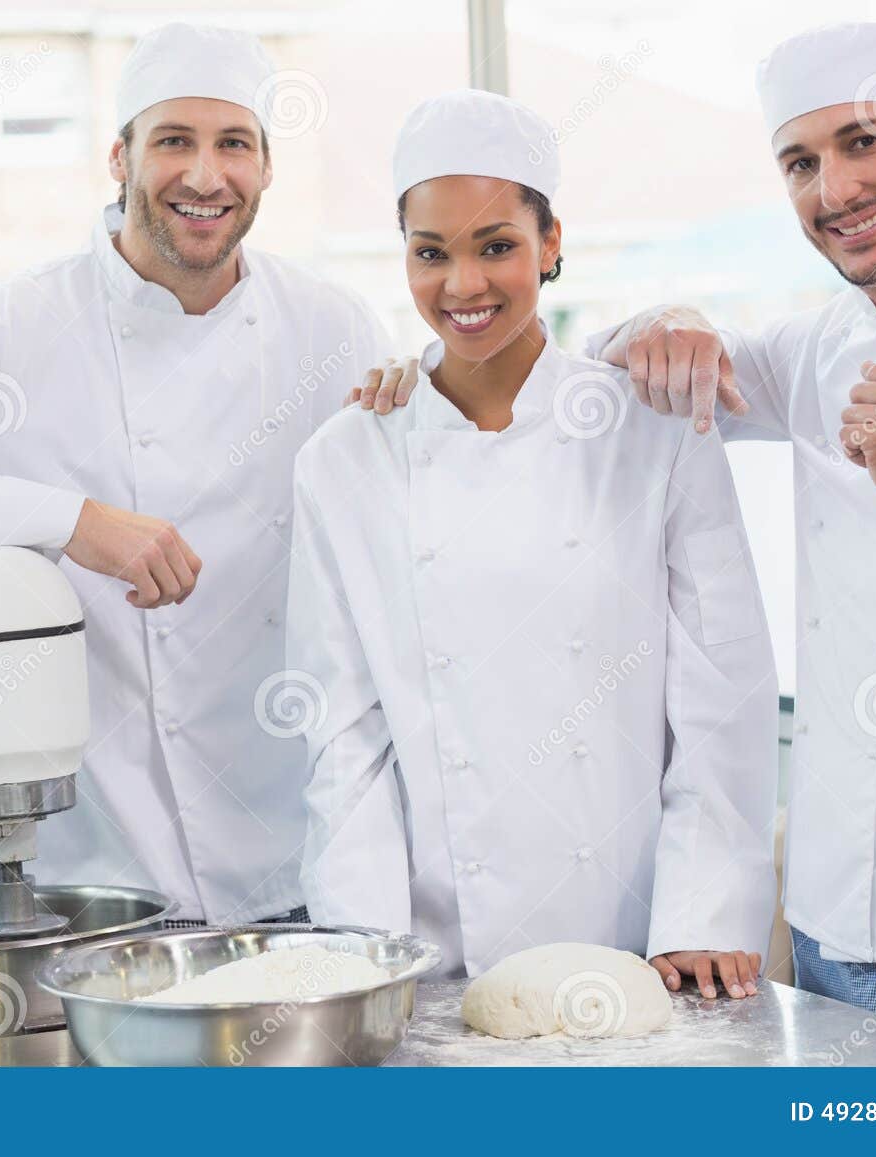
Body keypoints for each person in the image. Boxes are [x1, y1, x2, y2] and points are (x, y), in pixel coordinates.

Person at [353, 25, 876, 1066]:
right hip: (834, 949)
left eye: (862, 142)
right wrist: (429, 374)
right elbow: (600, 370)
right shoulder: (818, 349)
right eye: (801, 163)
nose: (834, 187)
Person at [0, 23, 392, 927]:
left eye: (235, 145)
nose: (206, 176)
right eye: (174, 140)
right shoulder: (11, 331)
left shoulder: (333, 330)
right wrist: (69, 520)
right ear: (119, 158)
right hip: (95, 891)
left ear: (266, 167)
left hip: (302, 874)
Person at [287, 90, 779, 997]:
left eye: (496, 246)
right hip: (432, 958)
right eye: (430, 251)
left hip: (639, 952)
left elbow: (722, 690)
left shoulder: (653, 429)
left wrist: (703, 914)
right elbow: (343, 738)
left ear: (552, 245)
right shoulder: (346, 458)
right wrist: (365, 957)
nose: (463, 284)